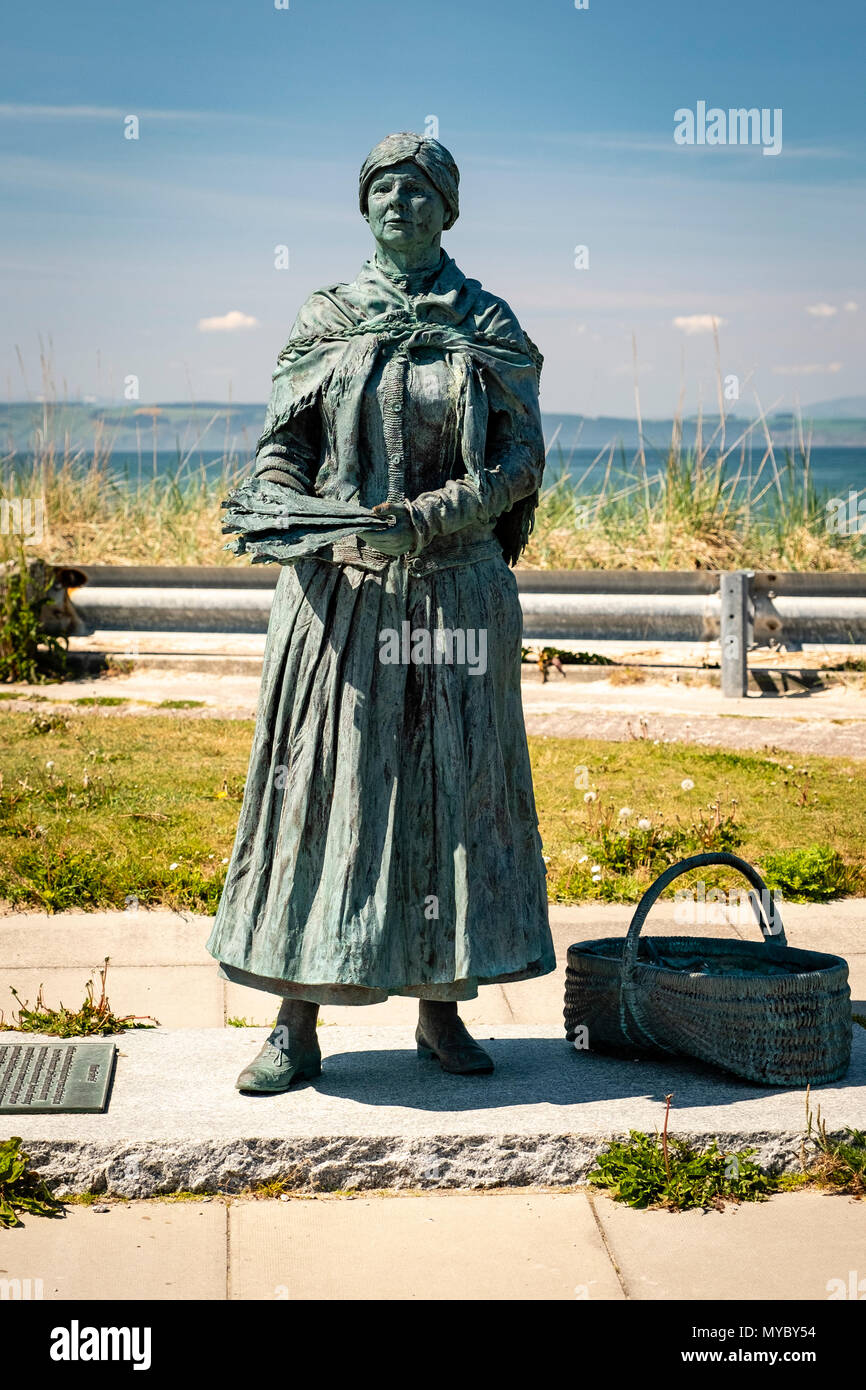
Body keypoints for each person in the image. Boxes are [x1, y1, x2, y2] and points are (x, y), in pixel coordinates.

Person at [206, 132, 556, 1092]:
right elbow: (286, 443)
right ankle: (295, 1017)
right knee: (327, 796)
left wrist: (434, 516)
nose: (401, 202)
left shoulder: (487, 321)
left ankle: (441, 1008)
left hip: (456, 592)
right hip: (344, 596)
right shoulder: (328, 317)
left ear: (449, 211)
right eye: (384, 189)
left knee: (453, 796)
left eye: (419, 190)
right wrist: (283, 501)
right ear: (364, 209)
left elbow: (520, 464)